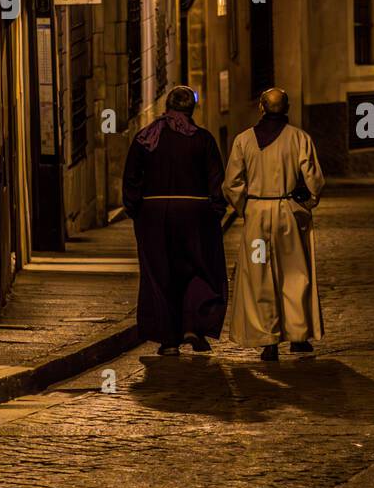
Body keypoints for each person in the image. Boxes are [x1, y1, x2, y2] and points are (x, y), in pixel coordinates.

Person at [123, 86, 229, 356]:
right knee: (197, 269)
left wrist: (136, 208)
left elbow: (132, 178)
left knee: (160, 274)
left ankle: (168, 338)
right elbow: (215, 179)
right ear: (190, 110)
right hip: (195, 214)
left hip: (154, 215)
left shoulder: (146, 138)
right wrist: (216, 209)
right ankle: (193, 326)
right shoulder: (202, 139)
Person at [223, 88, 326, 361]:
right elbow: (314, 178)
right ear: (287, 107)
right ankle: (297, 334)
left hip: (257, 215)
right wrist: (308, 203)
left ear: (261, 107)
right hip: (287, 214)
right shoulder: (299, 138)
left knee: (259, 275)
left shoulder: (243, 141)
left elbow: (232, 182)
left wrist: (246, 207)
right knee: (294, 273)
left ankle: (268, 339)